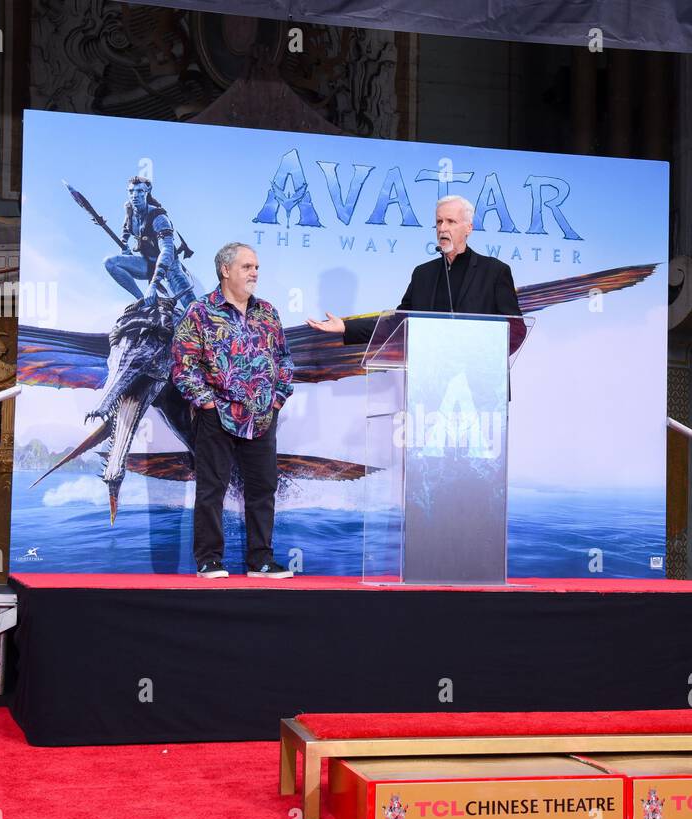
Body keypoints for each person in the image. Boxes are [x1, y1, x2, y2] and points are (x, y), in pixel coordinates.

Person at [171, 242, 294, 579]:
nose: (254, 273)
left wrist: (278, 396)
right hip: (217, 416)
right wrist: (207, 403)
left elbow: (283, 359)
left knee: (263, 488)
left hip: (262, 416)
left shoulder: (267, 312)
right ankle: (209, 560)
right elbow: (183, 365)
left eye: (256, 267)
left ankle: (261, 561)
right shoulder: (200, 311)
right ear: (225, 270)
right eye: (247, 267)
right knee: (212, 489)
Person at [305, 194, 521, 343]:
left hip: (481, 383)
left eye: (451, 221)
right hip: (429, 381)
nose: (442, 228)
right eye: (438, 222)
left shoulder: (494, 272)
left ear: (468, 228)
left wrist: (489, 359)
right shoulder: (423, 274)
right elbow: (398, 324)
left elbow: (515, 331)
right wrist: (346, 327)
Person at [105, 175, 197, 313]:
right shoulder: (130, 211)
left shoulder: (159, 217)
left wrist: (153, 285)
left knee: (194, 310)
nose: (135, 195)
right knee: (110, 263)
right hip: (147, 264)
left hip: (170, 266)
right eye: (131, 191)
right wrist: (123, 246)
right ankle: (144, 303)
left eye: (140, 191)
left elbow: (167, 250)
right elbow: (126, 229)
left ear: (147, 192)